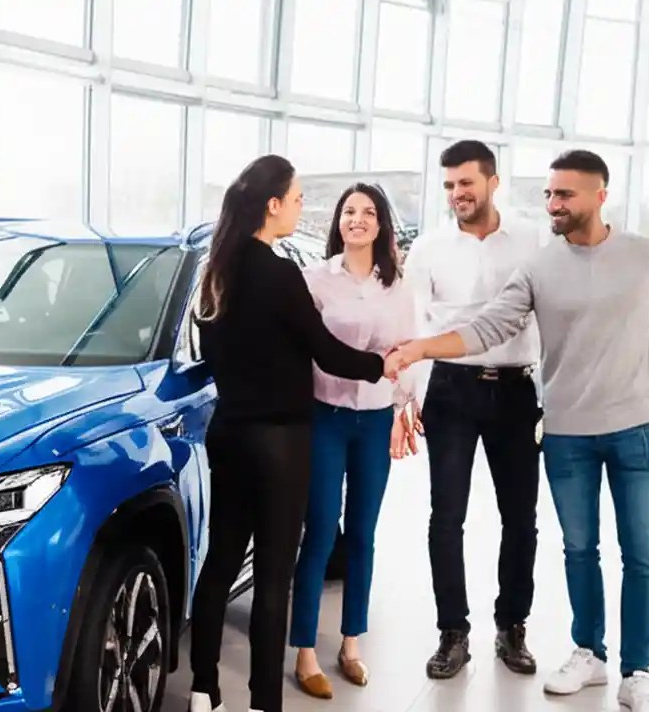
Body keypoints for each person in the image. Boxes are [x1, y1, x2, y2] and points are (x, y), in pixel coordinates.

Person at [387, 149, 649, 712]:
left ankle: (637, 669)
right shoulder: (540, 264)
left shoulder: (643, 254)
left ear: (601, 195)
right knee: (578, 548)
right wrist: (420, 354)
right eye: (550, 194)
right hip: (565, 429)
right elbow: (489, 325)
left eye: (565, 194)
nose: (554, 203)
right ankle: (587, 653)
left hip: (631, 425)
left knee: (641, 554)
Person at [188, 155, 397, 712]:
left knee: (220, 561)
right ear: (272, 205)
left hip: (227, 432)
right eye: (298, 198)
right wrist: (383, 366)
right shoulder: (280, 273)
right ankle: (262, 702)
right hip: (280, 440)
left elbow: (212, 356)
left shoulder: (216, 271)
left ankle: (204, 692)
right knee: (275, 574)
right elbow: (324, 351)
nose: (303, 208)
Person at [400, 140, 546, 679]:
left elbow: (552, 315)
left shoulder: (532, 239)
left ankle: (512, 627)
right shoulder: (431, 248)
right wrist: (407, 398)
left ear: (492, 182)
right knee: (447, 517)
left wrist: (551, 393)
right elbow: (416, 326)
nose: (457, 194)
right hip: (451, 392)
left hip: (515, 391)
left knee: (521, 519)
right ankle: (452, 632)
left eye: (465, 183)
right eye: (449, 186)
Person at [288, 183, 421, 700]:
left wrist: (401, 408)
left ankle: (350, 644)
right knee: (320, 530)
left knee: (362, 533)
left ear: (382, 223)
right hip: (326, 416)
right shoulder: (316, 279)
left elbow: (407, 351)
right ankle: (304, 651)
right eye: (349, 211)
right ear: (338, 222)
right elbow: (302, 348)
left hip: (374, 420)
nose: (357, 219)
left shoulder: (399, 286)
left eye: (368, 212)